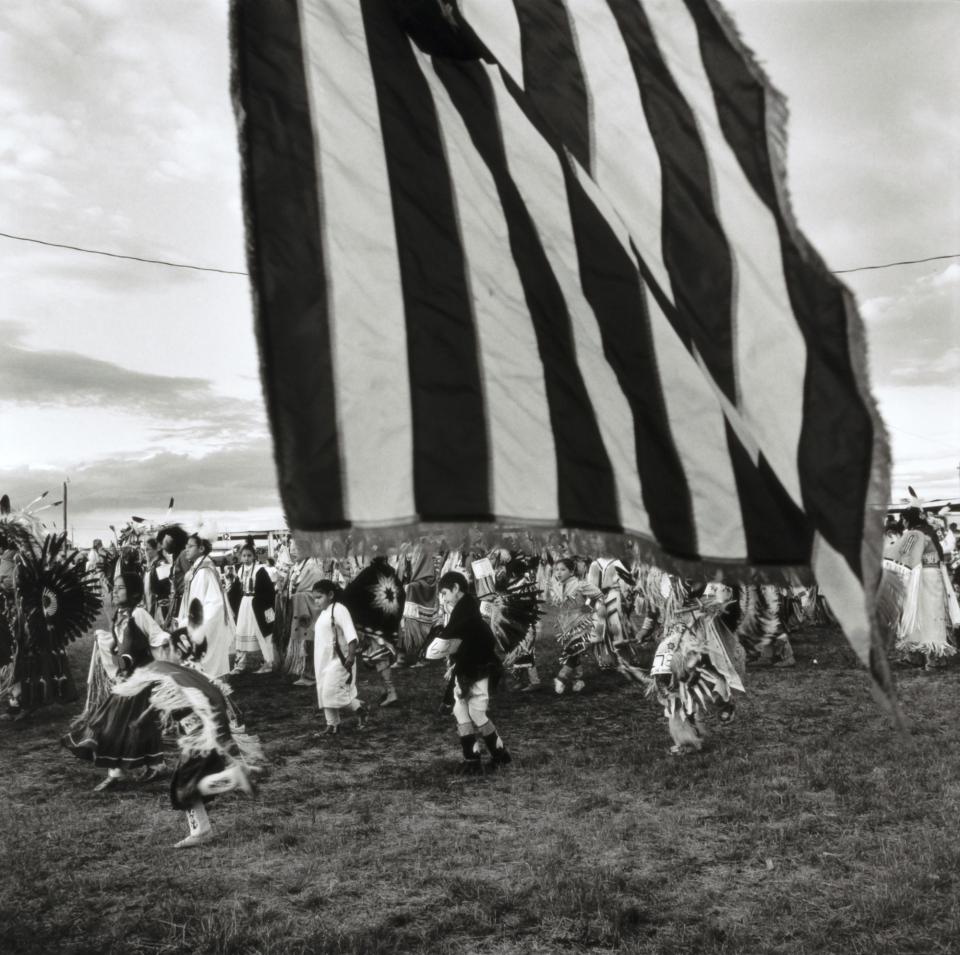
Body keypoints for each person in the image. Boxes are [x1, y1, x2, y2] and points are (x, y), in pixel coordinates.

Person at [110, 618, 262, 848]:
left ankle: (233, 779)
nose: (161, 653)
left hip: (199, 741)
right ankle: (202, 827)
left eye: (165, 648)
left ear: (175, 650)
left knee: (185, 788)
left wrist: (142, 720)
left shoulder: (179, 676)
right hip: (205, 737)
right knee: (188, 785)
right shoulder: (195, 673)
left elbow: (176, 702)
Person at [61, 572, 169, 790]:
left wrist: (169, 647)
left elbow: (157, 637)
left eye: (120, 587)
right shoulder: (120, 615)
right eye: (115, 587)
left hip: (142, 679)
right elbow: (121, 644)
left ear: (135, 592)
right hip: (129, 679)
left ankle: (118, 772)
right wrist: (108, 642)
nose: (115, 591)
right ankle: (156, 765)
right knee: (136, 724)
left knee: (114, 721)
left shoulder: (139, 614)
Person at [426, 571, 511, 773]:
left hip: (478, 668)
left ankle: (500, 755)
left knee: (476, 712)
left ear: (456, 588)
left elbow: (459, 638)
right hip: (466, 668)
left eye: (445, 593)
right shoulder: (463, 611)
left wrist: (440, 641)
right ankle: (472, 760)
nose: (444, 598)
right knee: (460, 709)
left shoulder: (468, 613)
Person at [892, 507, 956, 669]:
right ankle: (923, 655)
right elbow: (946, 548)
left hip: (923, 576)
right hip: (932, 574)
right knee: (927, 613)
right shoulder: (928, 531)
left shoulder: (916, 534)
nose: (902, 522)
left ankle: (931, 656)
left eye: (904, 519)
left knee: (920, 613)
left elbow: (902, 553)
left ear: (910, 519)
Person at [178, 531, 237, 680]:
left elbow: (215, 604)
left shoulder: (205, 571)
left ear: (201, 549)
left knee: (208, 671)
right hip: (199, 626)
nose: (186, 549)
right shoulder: (197, 570)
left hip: (206, 628)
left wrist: (193, 623)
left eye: (190, 546)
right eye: (186, 546)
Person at [312, 579, 368, 734]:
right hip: (323, 660)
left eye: (319, 597)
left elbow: (351, 633)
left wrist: (351, 655)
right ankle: (332, 725)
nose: (316, 601)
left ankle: (360, 709)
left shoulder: (339, 609)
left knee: (332, 691)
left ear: (330, 595)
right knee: (324, 691)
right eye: (314, 598)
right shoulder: (324, 613)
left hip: (340, 659)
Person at [552, 558, 602, 694]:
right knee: (574, 651)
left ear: (571, 571)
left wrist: (588, 606)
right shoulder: (557, 586)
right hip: (564, 624)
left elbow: (598, 594)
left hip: (580, 622)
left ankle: (561, 678)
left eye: (563, 570)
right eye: (557, 570)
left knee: (575, 650)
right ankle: (577, 680)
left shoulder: (580, 585)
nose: (559, 573)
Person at [229, 538, 277, 675]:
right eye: (244, 555)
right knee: (241, 631)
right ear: (240, 557)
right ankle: (240, 664)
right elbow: (236, 590)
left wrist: (263, 603)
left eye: (249, 555)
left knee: (263, 633)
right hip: (244, 604)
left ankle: (268, 663)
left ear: (254, 556)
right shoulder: (240, 570)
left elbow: (268, 590)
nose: (246, 558)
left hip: (258, 606)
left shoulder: (260, 570)